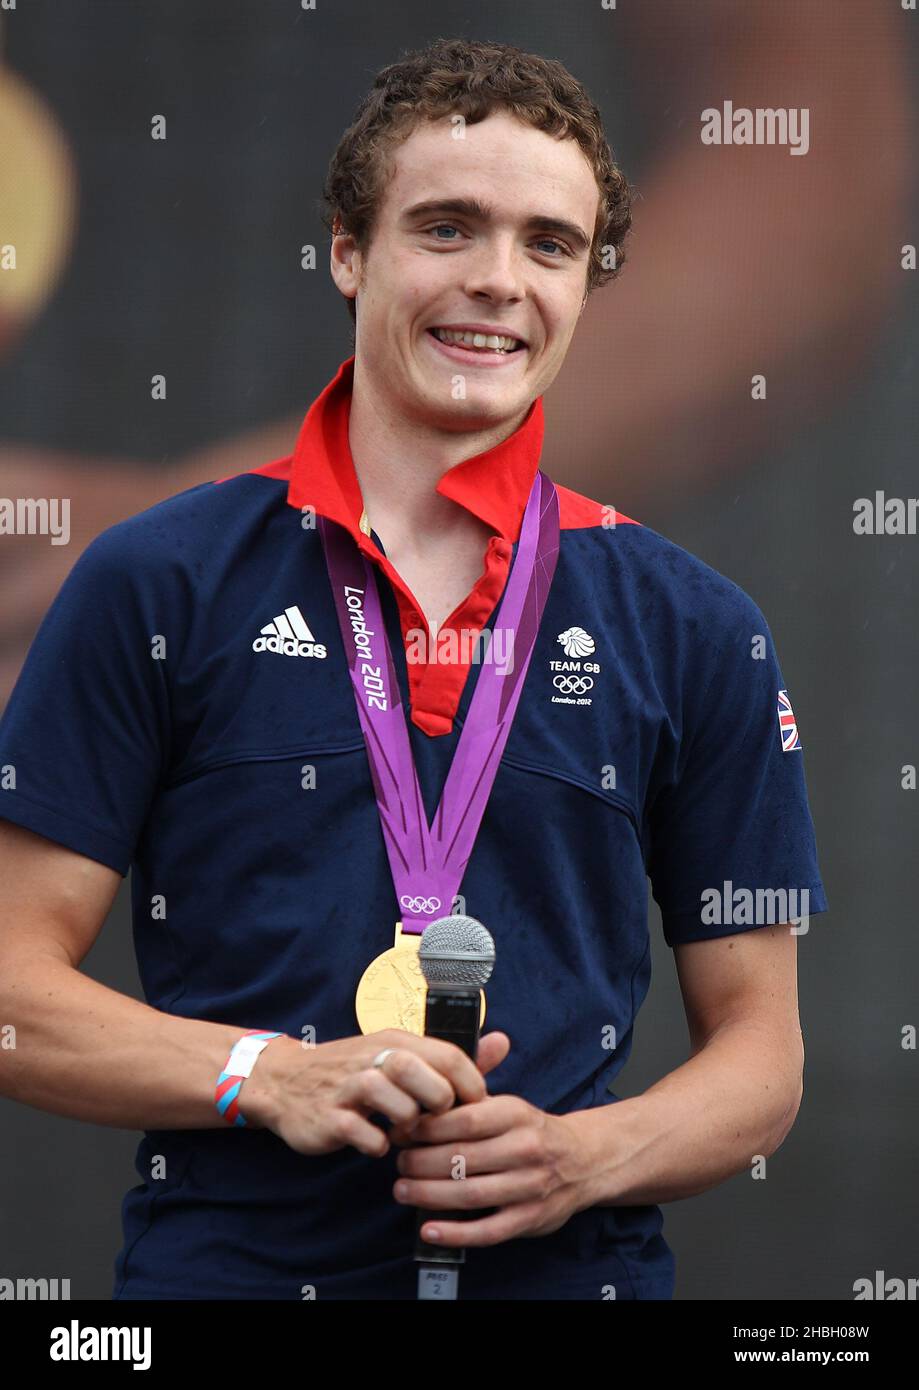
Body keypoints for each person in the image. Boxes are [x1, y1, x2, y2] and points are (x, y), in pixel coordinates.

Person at [0, 38, 826, 1300]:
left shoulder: (697, 625)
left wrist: (583, 1156)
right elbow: (14, 988)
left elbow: (762, 1056)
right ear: (348, 253)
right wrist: (264, 1072)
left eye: (549, 245)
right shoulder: (159, 577)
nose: (498, 281)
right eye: (447, 228)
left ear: (587, 285)